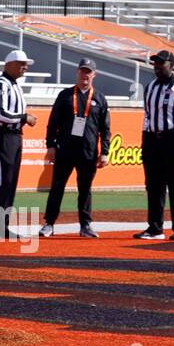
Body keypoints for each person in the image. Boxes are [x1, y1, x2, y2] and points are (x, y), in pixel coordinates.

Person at [40, 58, 109, 239]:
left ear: (94, 74)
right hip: (65, 150)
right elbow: (52, 122)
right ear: (77, 72)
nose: (85, 75)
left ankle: (85, 225)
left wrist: (105, 152)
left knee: (85, 189)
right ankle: (49, 223)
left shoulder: (100, 99)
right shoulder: (65, 95)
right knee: (57, 186)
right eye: (82, 71)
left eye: (88, 72)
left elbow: (105, 129)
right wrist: (51, 145)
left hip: (88, 152)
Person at [134, 50, 174, 241]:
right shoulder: (150, 87)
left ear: (171, 66)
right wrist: (145, 141)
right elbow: (147, 116)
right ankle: (155, 228)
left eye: (161, 64)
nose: (157, 67)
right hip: (152, 140)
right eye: (155, 63)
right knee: (154, 186)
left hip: (173, 139)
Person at [0, 49, 37, 240]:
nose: (25, 68)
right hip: (2, 135)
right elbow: (0, 114)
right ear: (10, 64)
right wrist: (24, 117)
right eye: (22, 64)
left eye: (26, 65)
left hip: (14, 136)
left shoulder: (15, 85)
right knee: (2, 181)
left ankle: (2, 224)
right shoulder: (0, 84)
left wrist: (22, 120)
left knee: (11, 182)